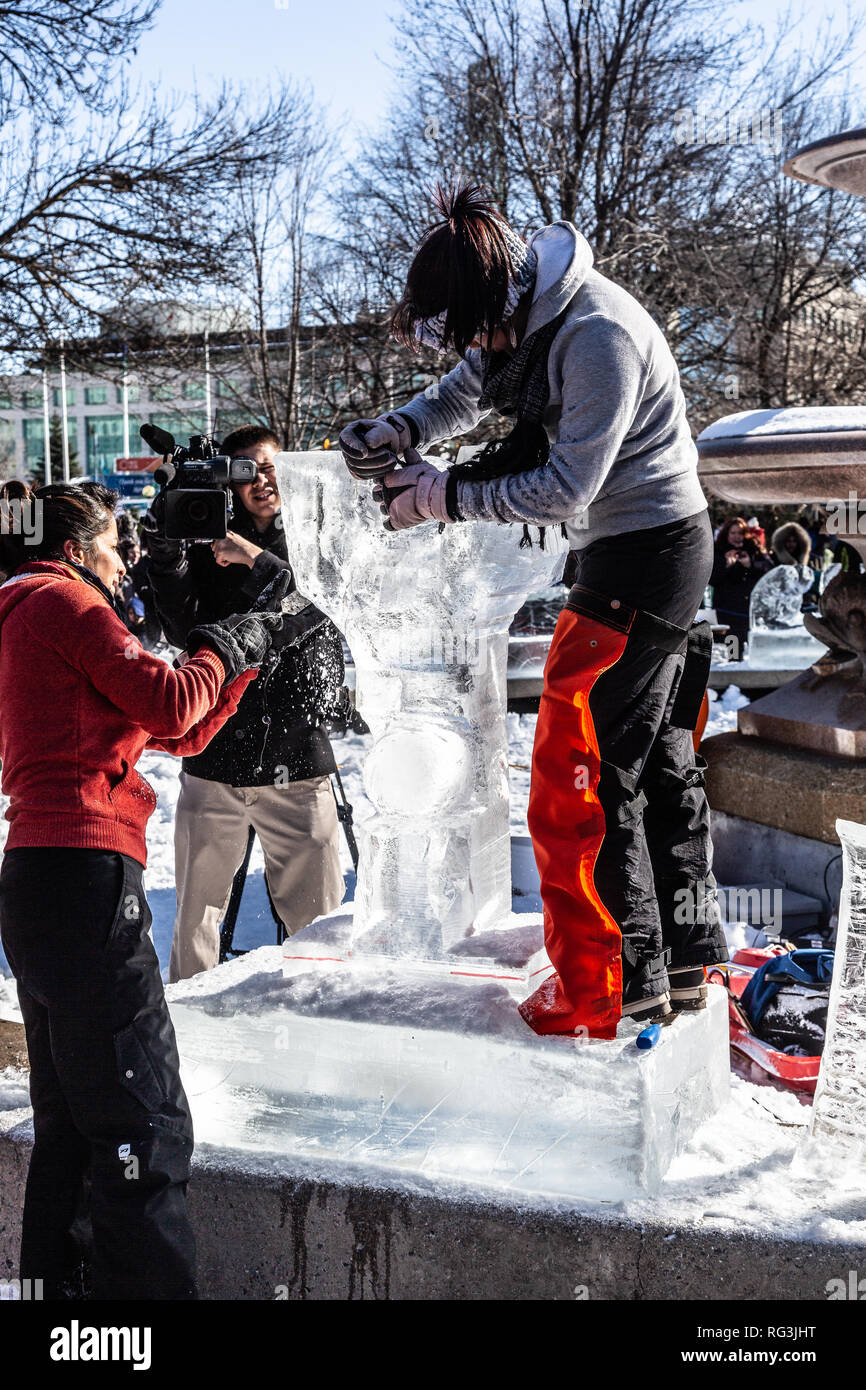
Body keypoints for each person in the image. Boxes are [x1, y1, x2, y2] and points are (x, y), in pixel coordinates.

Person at [340, 182, 729, 1040]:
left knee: (579, 769)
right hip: (636, 548)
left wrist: (439, 495)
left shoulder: (597, 337)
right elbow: (462, 391)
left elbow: (563, 487)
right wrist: (399, 431)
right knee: (654, 761)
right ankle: (685, 959)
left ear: (500, 302)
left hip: (648, 551)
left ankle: (611, 983)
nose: (477, 347)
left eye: (476, 329)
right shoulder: (519, 316)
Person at [0, 479, 290, 1300]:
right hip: (83, 873)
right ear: (72, 547)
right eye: (118, 547)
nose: (128, 565)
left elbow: (180, 727)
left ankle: (66, 1314)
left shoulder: (23, 611)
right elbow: (168, 699)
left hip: (47, 875)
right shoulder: (62, 603)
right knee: (143, 1123)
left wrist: (239, 649)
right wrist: (227, 645)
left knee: (73, 1126)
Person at [145, 423, 346, 982]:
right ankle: (190, 1038)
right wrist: (165, 557)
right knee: (195, 926)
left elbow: (315, 603)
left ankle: (322, 1034)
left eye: (270, 466)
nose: (262, 479)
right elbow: (184, 628)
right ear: (226, 484)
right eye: (246, 470)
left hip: (298, 763)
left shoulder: (316, 535)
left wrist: (254, 557)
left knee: (319, 929)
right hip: (215, 760)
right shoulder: (205, 541)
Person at [710, 516, 773, 652]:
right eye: (733, 533)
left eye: (740, 533)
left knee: (752, 648)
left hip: (750, 608)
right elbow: (711, 579)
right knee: (732, 650)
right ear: (726, 534)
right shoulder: (718, 551)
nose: (737, 537)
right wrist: (726, 565)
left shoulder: (754, 548)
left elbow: (770, 569)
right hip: (727, 609)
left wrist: (751, 564)